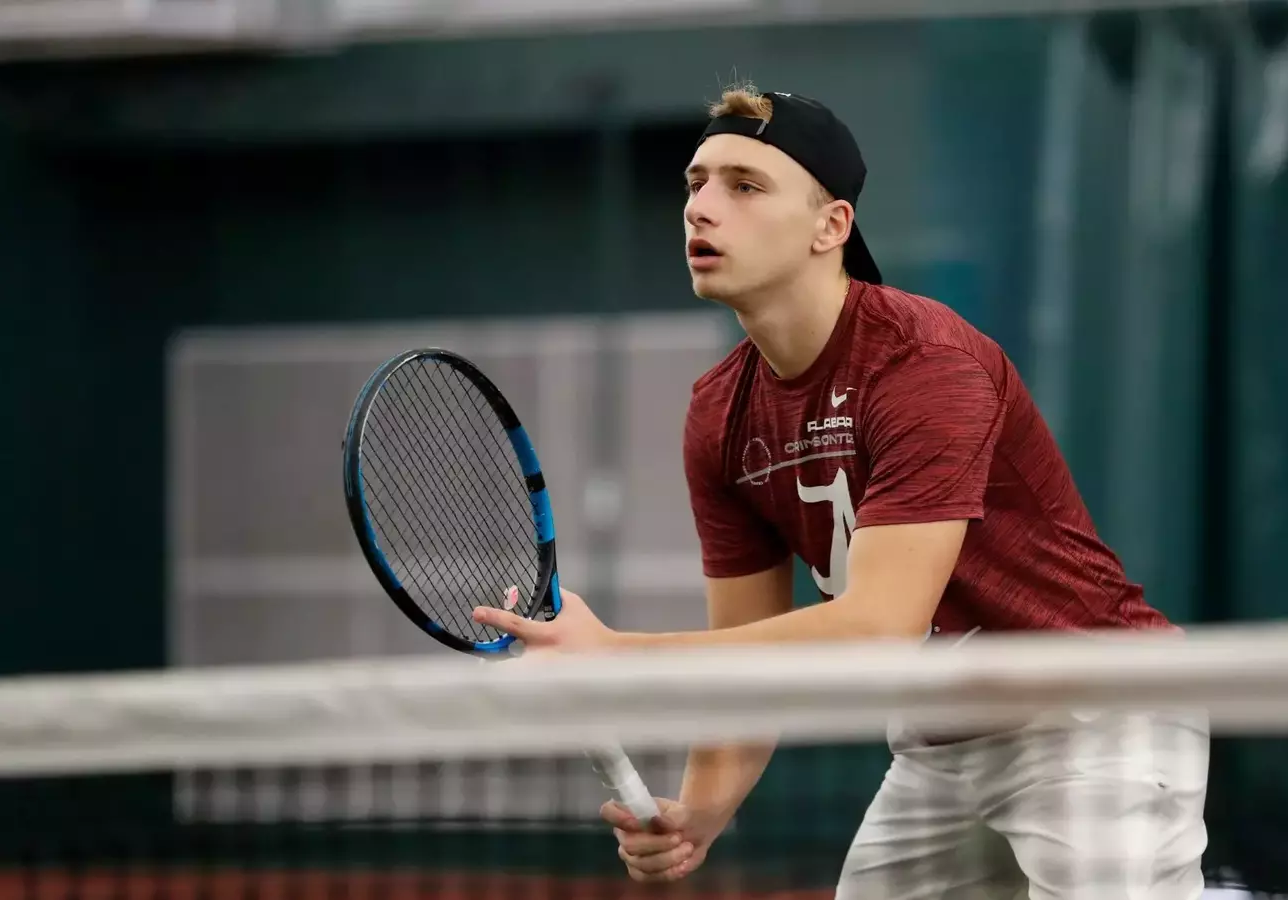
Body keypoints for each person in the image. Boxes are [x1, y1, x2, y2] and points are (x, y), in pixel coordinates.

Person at [472, 83, 1210, 899]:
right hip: (941, 741)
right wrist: (702, 813)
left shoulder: (926, 363)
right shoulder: (719, 414)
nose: (701, 208)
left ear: (832, 227)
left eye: (745, 186)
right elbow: (748, 655)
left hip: (1096, 716)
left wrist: (616, 656)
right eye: (697, 183)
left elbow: (880, 626)